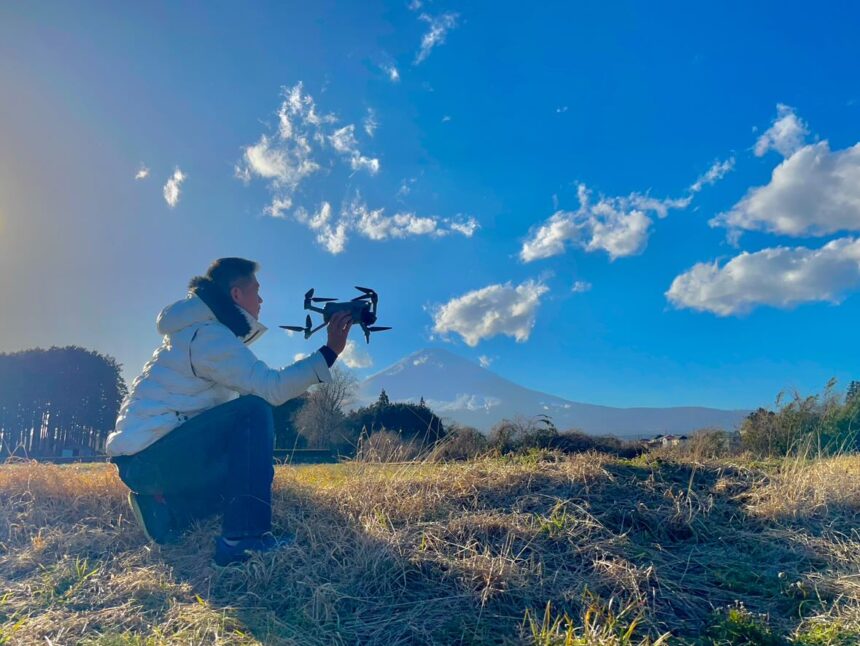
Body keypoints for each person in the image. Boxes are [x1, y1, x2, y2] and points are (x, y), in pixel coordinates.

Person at [106, 257, 353, 566]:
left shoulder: (195, 332)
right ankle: (243, 539)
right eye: (257, 291)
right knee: (253, 410)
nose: (261, 300)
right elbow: (271, 387)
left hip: (145, 460)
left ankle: (166, 511)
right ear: (237, 295)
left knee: (243, 469)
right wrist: (329, 351)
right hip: (150, 460)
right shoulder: (209, 336)